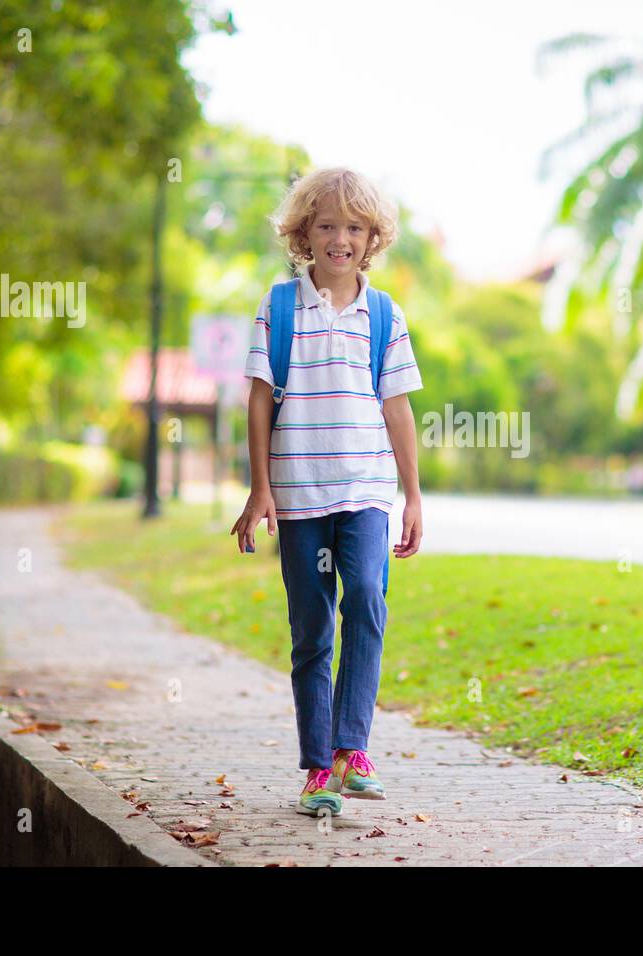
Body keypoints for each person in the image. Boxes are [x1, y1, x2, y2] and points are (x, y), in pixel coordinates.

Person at [230, 168, 424, 817]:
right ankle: (318, 769)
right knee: (311, 626)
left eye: (354, 227)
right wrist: (260, 488)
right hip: (298, 495)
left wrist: (413, 496)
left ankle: (352, 750)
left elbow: (396, 408)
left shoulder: (385, 314)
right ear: (303, 233)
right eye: (327, 225)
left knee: (367, 598)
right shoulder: (280, 306)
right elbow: (259, 399)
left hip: (367, 490)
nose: (340, 238)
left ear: (372, 238)